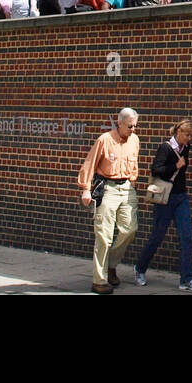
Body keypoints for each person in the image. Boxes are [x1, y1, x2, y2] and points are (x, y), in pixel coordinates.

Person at [77, 108, 141, 294]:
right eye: (129, 126)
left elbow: (135, 162)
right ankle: (100, 279)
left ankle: (111, 264)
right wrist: (86, 189)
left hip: (127, 188)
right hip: (108, 188)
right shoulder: (104, 140)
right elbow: (89, 164)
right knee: (103, 235)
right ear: (119, 123)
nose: (133, 129)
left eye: (135, 126)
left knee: (130, 229)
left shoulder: (135, 140)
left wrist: (133, 179)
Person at [133, 120, 192, 291]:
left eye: (191, 136)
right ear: (178, 132)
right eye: (187, 135)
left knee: (186, 237)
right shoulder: (165, 148)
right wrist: (175, 166)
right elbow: (156, 170)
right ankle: (140, 268)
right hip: (165, 198)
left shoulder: (186, 148)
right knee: (157, 236)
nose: (189, 139)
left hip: (181, 197)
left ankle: (186, 279)